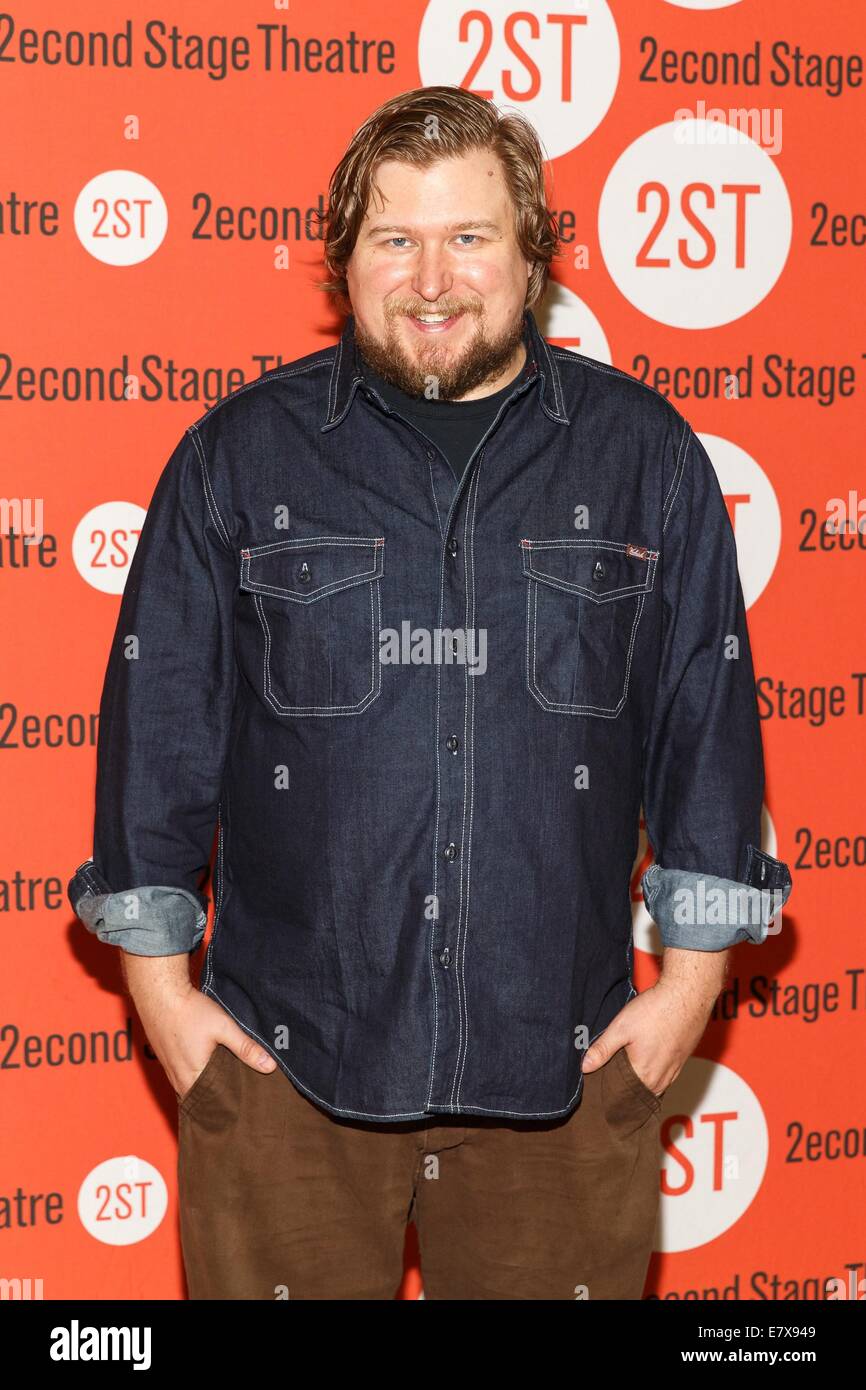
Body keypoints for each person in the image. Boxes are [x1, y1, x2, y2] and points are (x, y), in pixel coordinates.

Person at [68, 85, 792, 1300]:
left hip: (559, 1074)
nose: (432, 277)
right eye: (393, 238)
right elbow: (159, 729)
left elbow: (703, 726)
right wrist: (161, 993)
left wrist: (691, 984)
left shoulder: (643, 459)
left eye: (468, 237)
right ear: (345, 262)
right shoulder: (237, 457)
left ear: (532, 258)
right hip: (286, 1068)